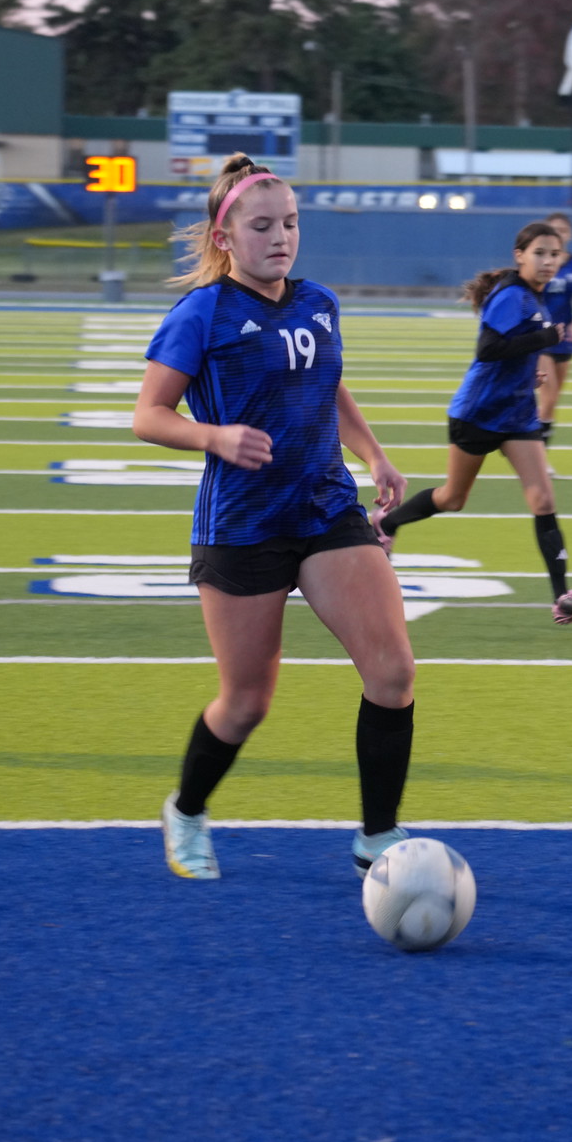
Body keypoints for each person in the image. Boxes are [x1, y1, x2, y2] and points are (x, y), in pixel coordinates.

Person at [133, 154, 417, 882]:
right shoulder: (201, 312)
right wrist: (214, 436)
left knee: (392, 671)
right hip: (242, 524)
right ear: (226, 237)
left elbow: (328, 382)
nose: (281, 237)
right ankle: (187, 809)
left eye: (290, 222)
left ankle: (378, 836)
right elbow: (148, 415)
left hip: (325, 508)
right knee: (248, 702)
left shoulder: (318, 300)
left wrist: (375, 455)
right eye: (262, 226)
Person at [374, 221, 572, 625]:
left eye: (555, 255)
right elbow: (489, 349)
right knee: (452, 499)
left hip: (517, 415)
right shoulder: (512, 295)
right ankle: (387, 523)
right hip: (478, 414)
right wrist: (544, 341)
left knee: (544, 501)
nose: (548, 261)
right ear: (520, 255)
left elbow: (512, 353)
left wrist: (528, 374)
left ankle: (561, 595)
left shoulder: (535, 298)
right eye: (540, 253)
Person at [535, 210, 572, 438]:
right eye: (553, 230)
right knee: (547, 397)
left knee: (553, 401)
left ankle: (538, 453)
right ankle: (535, 456)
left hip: (565, 340)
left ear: (569, 235)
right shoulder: (539, 263)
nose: (558, 234)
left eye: (563, 230)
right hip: (542, 338)